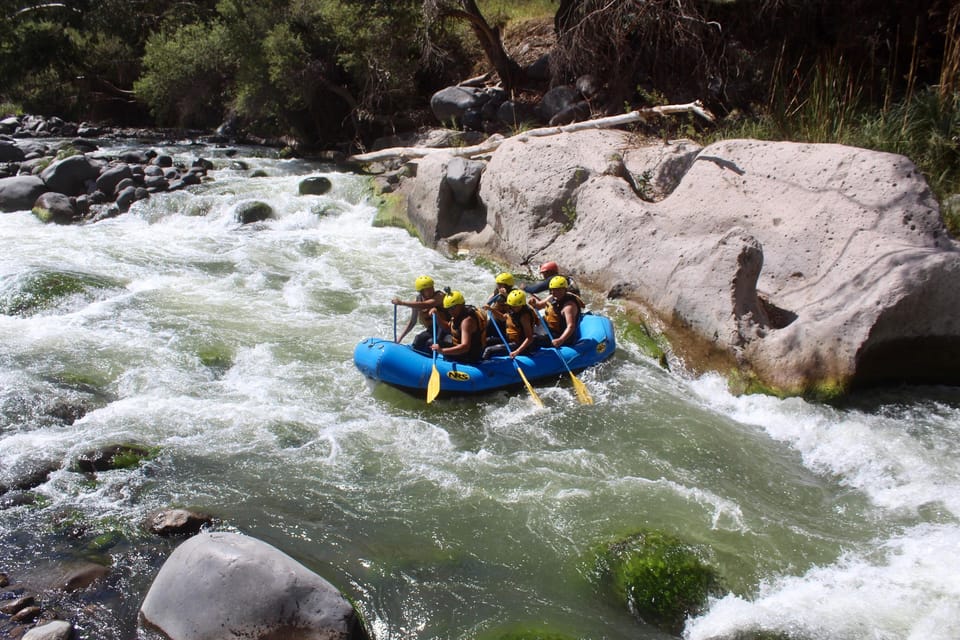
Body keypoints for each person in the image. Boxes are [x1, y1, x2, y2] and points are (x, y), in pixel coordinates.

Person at [484, 289, 549, 358]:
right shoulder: (512, 310)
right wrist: (491, 309)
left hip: (520, 344)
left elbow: (529, 338)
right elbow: (503, 318)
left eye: (516, 306)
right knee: (486, 341)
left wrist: (517, 351)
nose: (514, 308)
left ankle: (483, 364)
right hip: (510, 340)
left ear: (522, 304)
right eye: (512, 306)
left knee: (489, 350)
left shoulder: (524, 317)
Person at [392, 275, 446, 353]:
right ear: (421, 291)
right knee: (418, 339)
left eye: (431, 287)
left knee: (431, 342)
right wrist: (400, 338)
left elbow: (427, 304)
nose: (431, 290)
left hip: (444, 329)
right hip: (432, 330)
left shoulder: (439, 296)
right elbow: (412, 321)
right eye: (427, 289)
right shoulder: (418, 300)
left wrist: (402, 303)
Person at [430, 290, 487, 363]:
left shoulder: (467, 322)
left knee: (431, 342)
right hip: (464, 348)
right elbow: (448, 328)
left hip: (469, 355)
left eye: (453, 308)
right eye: (448, 309)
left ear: (461, 304)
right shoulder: (460, 314)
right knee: (443, 338)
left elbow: (465, 347)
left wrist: (442, 351)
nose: (451, 311)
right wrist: (437, 316)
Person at [529, 275, 585, 347]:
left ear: (565, 289)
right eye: (552, 290)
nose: (554, 292)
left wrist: (561, 340)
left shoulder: (569, 306)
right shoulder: (553, 296)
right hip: (549, 328)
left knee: (533, 340)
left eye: (558, 290)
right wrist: (533, 303)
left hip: (559, 334)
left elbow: (571, 326)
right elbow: (539, 306)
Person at [483, 272, 517, 343]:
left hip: (505, 324)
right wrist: (488, 304)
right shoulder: (497, 292)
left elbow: (505, 316)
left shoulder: (514, 295)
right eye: (497, 284)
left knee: (487, 340)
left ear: (507, 286)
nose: (498, 286)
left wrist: (506, 295)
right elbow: (489, 300)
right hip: (495, 320)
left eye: (500, 284)